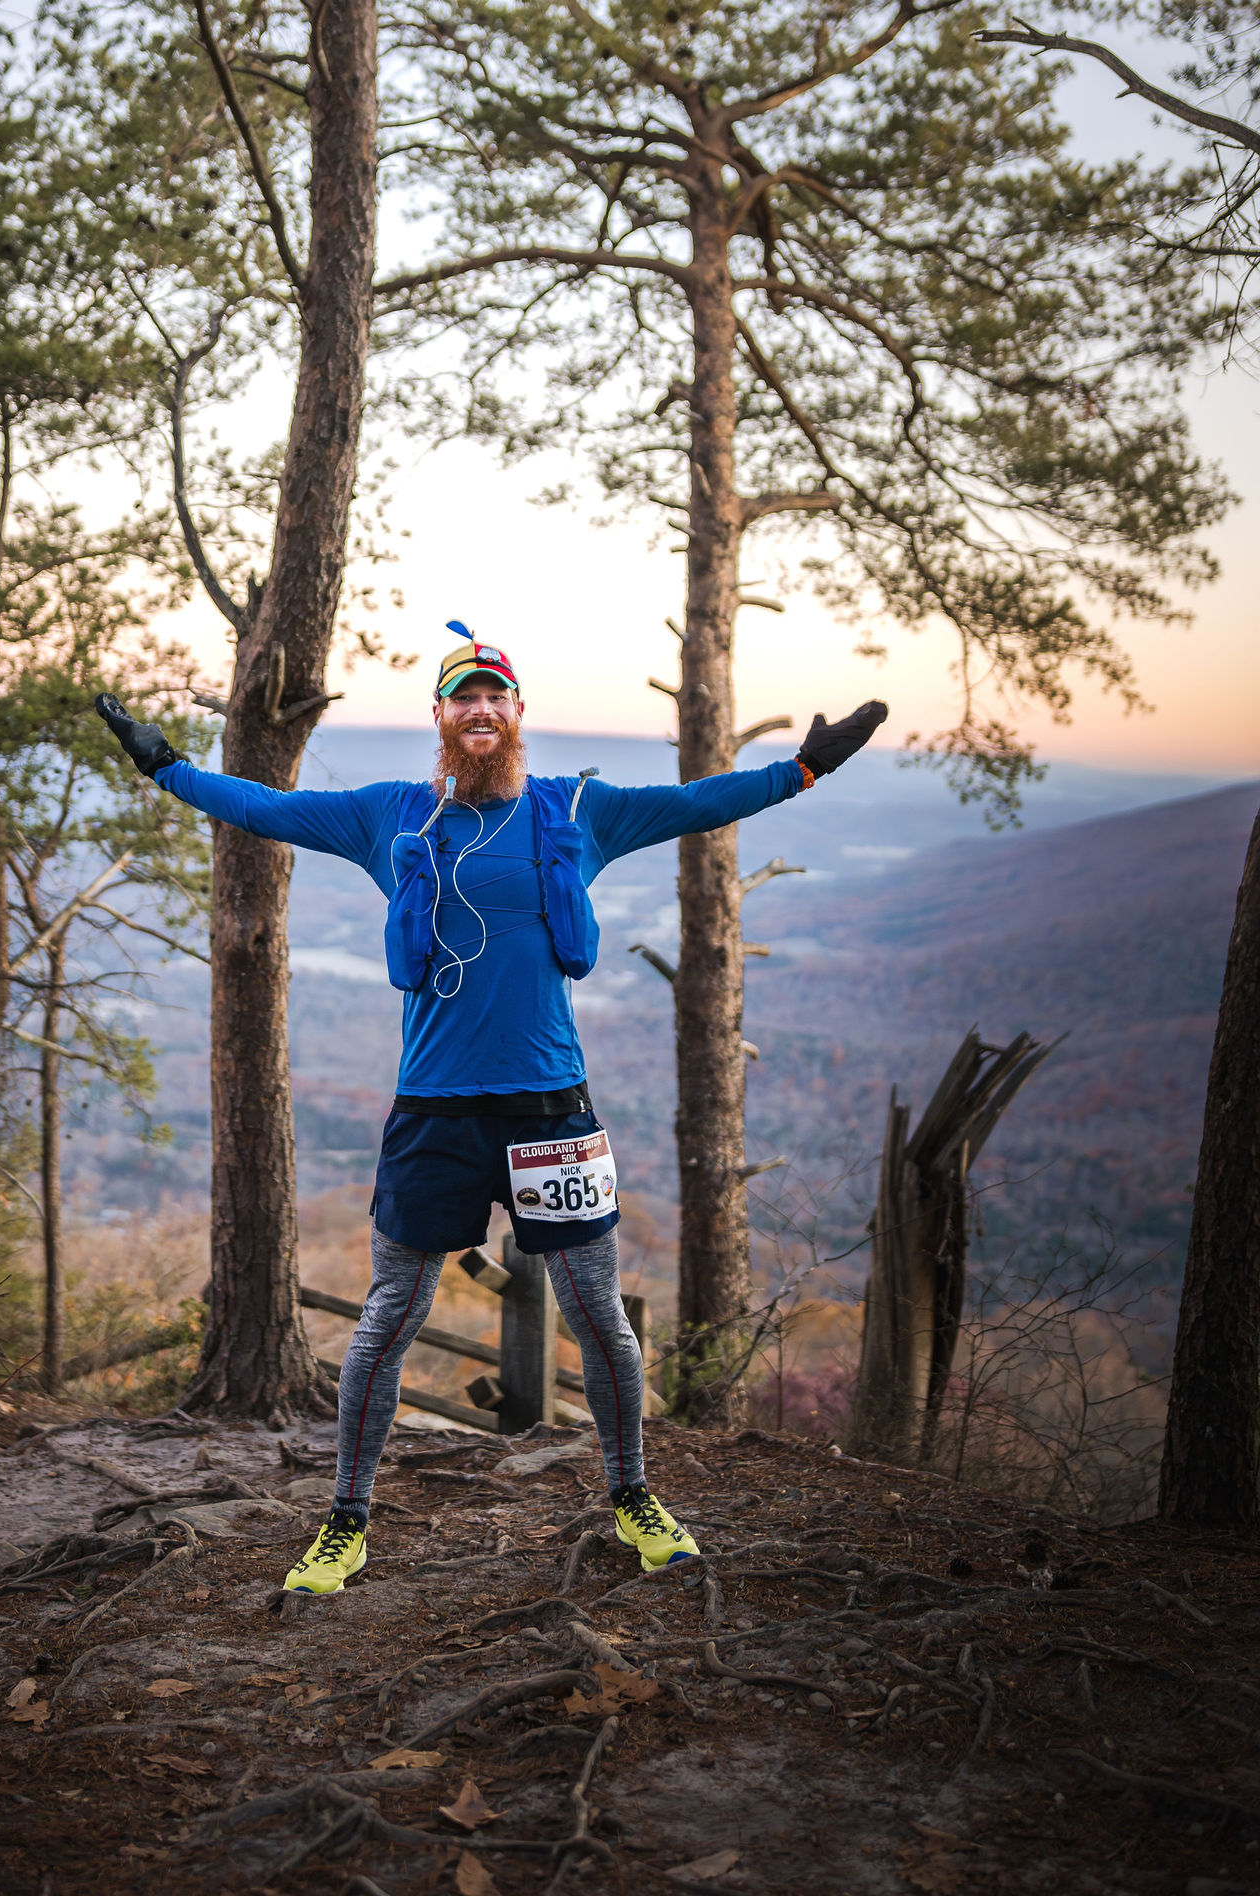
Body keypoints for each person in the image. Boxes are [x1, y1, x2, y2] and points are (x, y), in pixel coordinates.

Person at [96, 626, 886, 1596]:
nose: (479, 711)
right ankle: (345, 1520)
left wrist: (802, 768)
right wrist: (167, 768)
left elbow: (692, 803)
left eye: (494, 697)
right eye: (461, 698)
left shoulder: (574, 812)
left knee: (596, 1313)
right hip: (434, 1107)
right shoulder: (390, 816)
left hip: (552, 1103)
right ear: (440, 717)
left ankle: (632, 1494)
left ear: (517, 714)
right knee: (391, 1312)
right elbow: (266, 808)